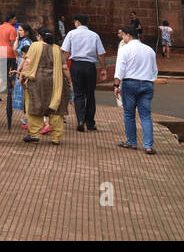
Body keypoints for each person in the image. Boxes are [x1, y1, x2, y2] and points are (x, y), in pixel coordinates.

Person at [15, 27, 72, 144]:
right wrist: (70, 81)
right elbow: (64, 67)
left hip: (37, 82)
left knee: (35, 106)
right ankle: (55, 137)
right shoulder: (58, 49)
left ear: (39, 36)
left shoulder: (35, 46)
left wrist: (22, 76)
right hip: (56, 82)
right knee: (56, 110)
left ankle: (34, 134)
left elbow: (27, 62)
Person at [114, 25, 159, 154]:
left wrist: (116, 85)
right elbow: (154, 71)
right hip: (147, 83)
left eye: (123, 35)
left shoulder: (124, 49)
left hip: (130, 83)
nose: (122, 37)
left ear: (128, 35)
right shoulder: (149, 50)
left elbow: (120, 69)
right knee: (146, 115)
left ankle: (132, 142)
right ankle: (148, 145)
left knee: (129, 114)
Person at [61, 14, 105, 133]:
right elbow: (100, 54)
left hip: (76, 65)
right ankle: (90, 123)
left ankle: (80, 120)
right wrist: (103, 68)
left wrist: (64, 65)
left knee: (78, 94)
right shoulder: (94, 35)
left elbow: (65, 52)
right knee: (90, 94)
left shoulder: (71, 34)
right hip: (90, 66)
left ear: (77, 22)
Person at [12, 23, 36, 129]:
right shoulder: (24, 40)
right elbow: (15, 50)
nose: (19, 32)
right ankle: (27, 116)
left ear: (26, 31)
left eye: (21, 30)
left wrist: (20, 70)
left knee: (25, 93)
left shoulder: (26, 41)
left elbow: (20, 54)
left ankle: (28, 117)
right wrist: (17, 38)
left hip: (24, 67)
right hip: (21, 66)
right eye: (18, 30)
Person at [0, 13, 18, 102]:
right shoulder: (12, 29)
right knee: (13, 73)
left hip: (2, 51)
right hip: (10, 53)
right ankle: (15, 94)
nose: (16, 21)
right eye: (15, 19)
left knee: (2, 74)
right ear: (10, 19)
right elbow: (12, 43)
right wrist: (16, 55)